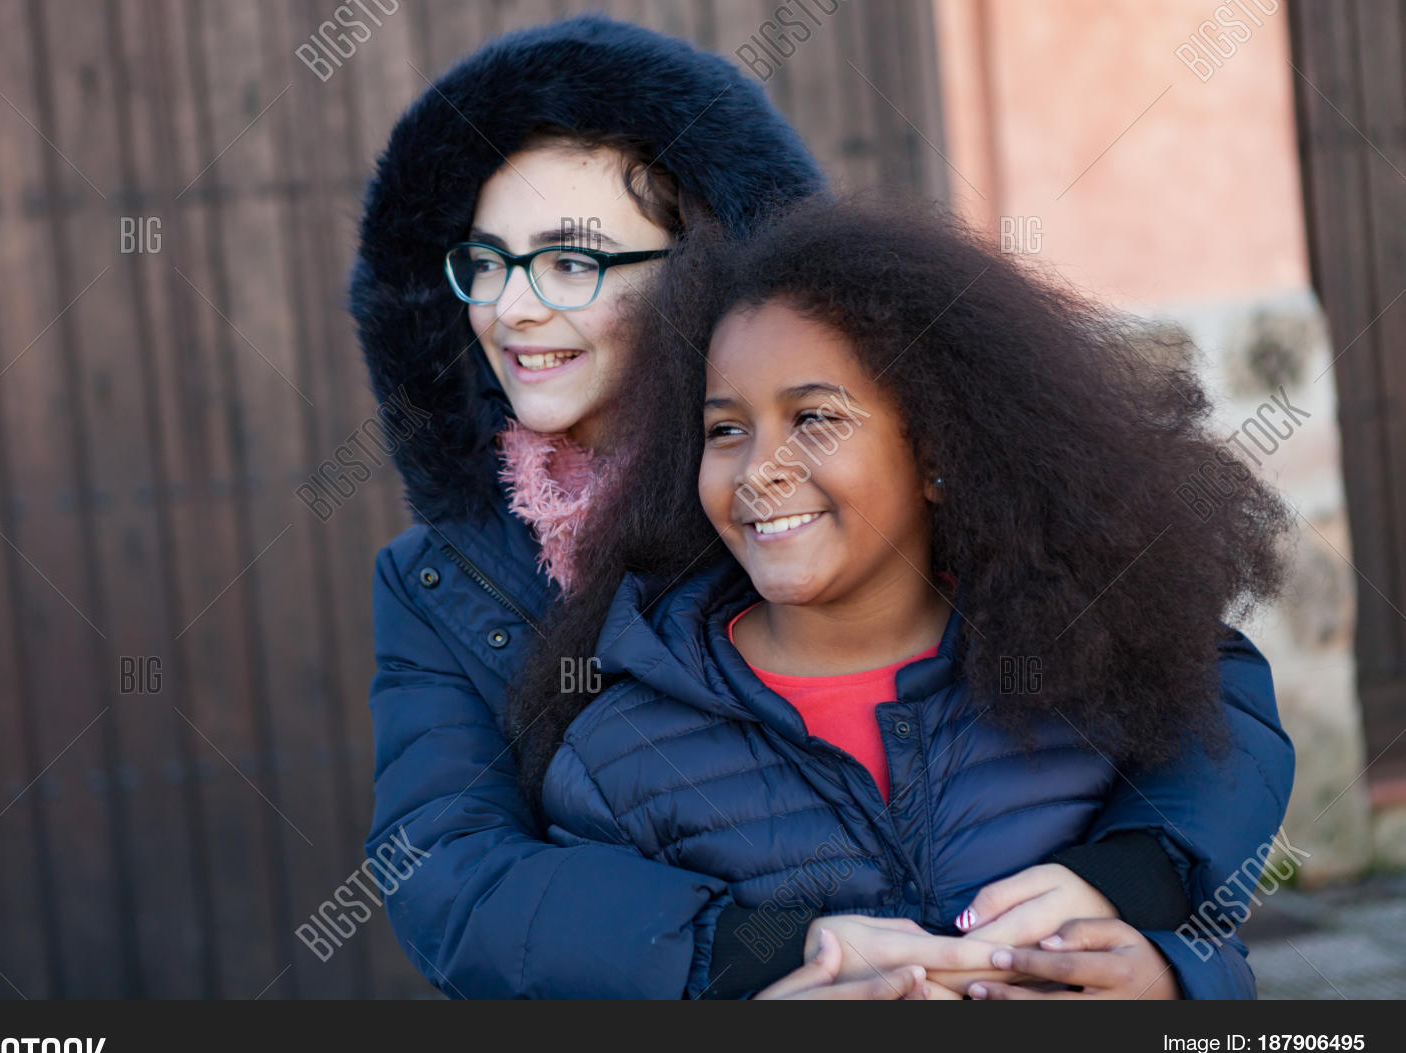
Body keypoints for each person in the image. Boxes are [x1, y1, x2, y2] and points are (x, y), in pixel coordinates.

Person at [351, 15, 1294, 999]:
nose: (512, 307)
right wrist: (757, 954)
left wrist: (1134, 884)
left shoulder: (872, 465)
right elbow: (449, 871)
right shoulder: (437, 578)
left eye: (570, 262)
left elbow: (1188, 673)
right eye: (488, 263)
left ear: (697, 265)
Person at [507, 195, 1294, 999]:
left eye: (814, 418)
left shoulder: (1087, 677)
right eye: (725, 429)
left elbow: (1210, 953)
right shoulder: (617, 758)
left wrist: (1175, 985)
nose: (758, 469)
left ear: (937, 455)